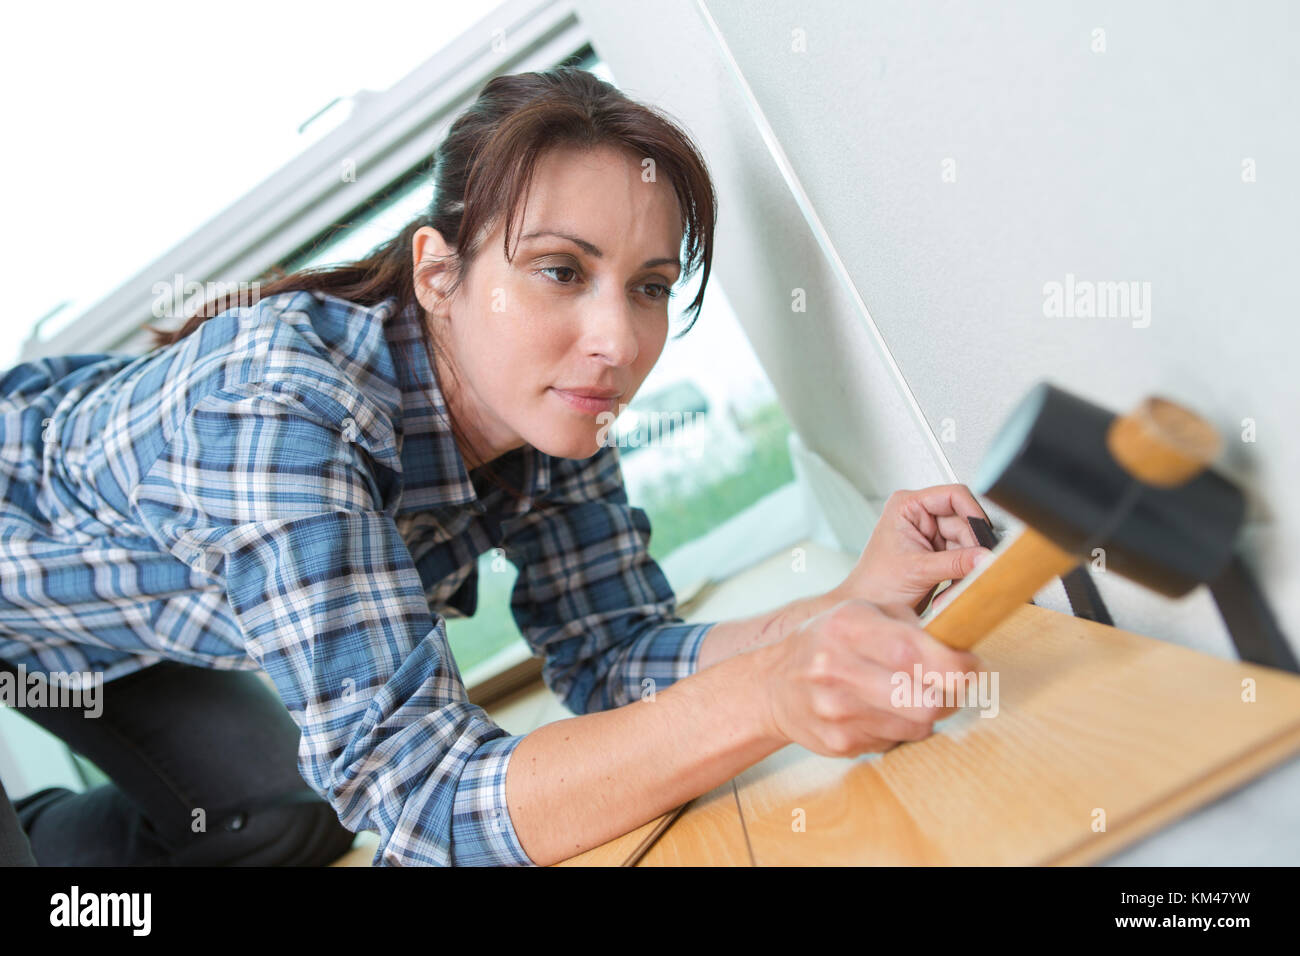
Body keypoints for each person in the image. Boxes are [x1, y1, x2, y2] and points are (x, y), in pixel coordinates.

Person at [0, 66, 993, 867]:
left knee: (282, 819)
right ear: (440, 271)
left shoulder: (548, 414)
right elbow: (422, 795)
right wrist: (769, 692)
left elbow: (614, 656)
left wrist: (842, 604)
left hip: (117, 615)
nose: (614, 340)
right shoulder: (282, 413)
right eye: (560, 270)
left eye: (648, 286)